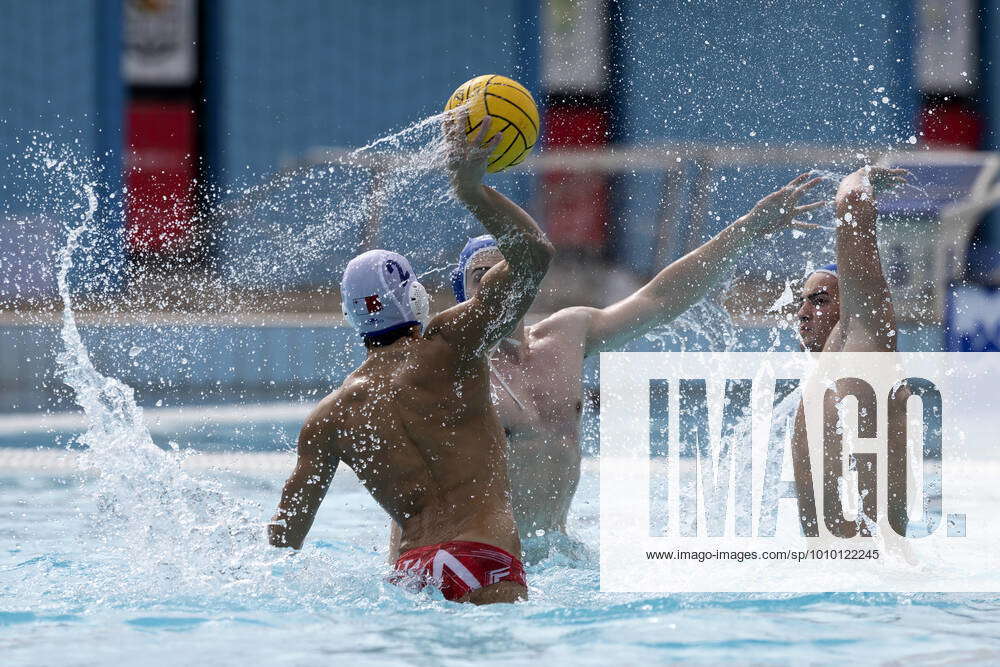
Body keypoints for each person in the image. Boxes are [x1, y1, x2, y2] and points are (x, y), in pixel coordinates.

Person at [435, 173, 825, 561]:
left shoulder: (566, 336)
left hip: (559, 555)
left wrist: (743, 231)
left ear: (526, 278)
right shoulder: (454, 371)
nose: (493, 285)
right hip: (487, 561)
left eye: (503, 272)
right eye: (478, 277)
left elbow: (660, 299)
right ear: (460, 292)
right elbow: (418, 483)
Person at [268, 116, 555, 604]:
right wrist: (471, 192)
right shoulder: (447, 345)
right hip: (483, 554)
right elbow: (534, 255)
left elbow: (284, 538)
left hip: (411, 572)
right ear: (416, 298)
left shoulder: (328, 417)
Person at [790, 166, 910, 543]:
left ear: (852, 308)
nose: (803, 313)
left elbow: (853, 202)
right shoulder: (819, 382)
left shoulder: (866, 343)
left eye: (821, 300)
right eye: (803, 302)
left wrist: (862, 175)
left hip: (874, 578)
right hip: (838, 579)